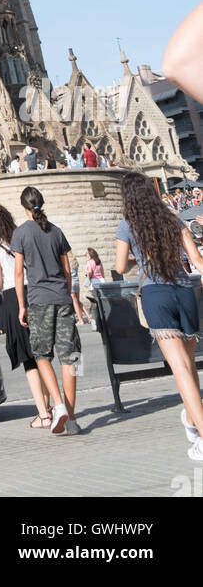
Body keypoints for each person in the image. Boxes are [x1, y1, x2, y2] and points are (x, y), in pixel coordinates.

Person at [116, 170, 203, 459]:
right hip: (184, 292)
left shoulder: (127, 225)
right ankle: (192, 421)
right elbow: (196, 259)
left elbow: (118, 267)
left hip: (156, 295)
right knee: (189, 366)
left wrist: (136, 259)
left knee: (180, 369)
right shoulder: (172, 219)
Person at [11, 186, 80, 435]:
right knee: (69, 357)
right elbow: (68, 270)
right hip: (62, 298)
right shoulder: (56, 231)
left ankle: (58, 406)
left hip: (38, 300)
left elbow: (19, 273)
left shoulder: (20, 234)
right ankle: (71, 419)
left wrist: (21, 306)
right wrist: (68, 294)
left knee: (41, 355)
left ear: (24, 206)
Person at [0, 203, 51, 430]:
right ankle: (50, 406)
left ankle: (43, 414)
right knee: (42, 354)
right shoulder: (19, 239)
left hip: (13, 299)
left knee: (28, 360)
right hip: (33, 293)